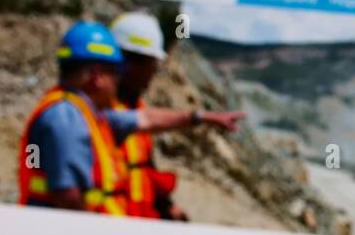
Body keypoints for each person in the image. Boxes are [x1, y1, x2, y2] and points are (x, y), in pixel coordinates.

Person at [19, 20, 246, 215]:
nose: (118, 80)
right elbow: (67, 196)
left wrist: (201, 117)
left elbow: (146, 119)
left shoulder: (86, 114)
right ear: (97, 77)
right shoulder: (65, 117)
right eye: (114, 72)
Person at [111, 11, 184, 220]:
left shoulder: (136, 107)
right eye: (151, 64)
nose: (153, 73)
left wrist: (166, 206)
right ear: (129, 64)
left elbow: (145, 166)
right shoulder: (98, 113)